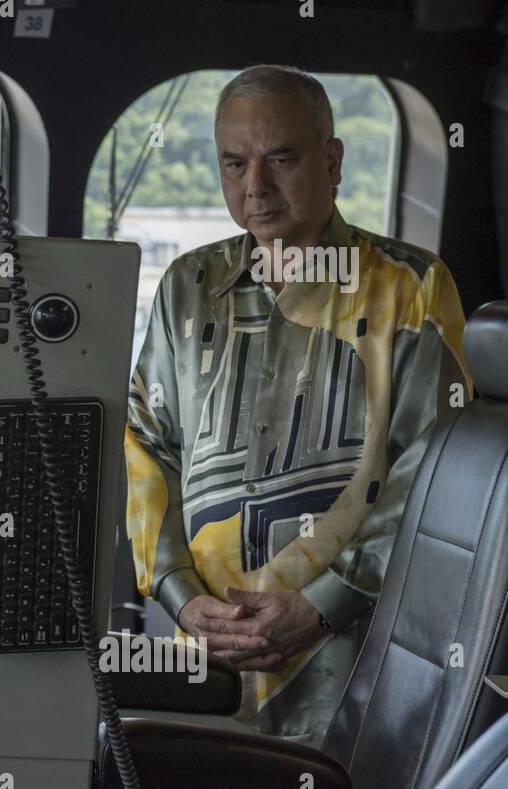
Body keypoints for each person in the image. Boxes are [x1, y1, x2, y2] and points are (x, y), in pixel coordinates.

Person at [124, 64, 471, 747]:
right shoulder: (187, 286)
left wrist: (320, 607)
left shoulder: (412, 286)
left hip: (352, 655)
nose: (255, 187)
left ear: (332, 160)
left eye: (280, 158)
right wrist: (177, 593)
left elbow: (431, 475)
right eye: (234, 163)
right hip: (203, 652)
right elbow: (145, 445)